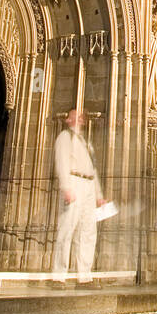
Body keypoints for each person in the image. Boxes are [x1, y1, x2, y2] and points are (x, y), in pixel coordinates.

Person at [52, 109, 105, 286]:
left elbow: (93, 169)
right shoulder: (65, 137)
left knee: (88, 231)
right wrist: (66, 187)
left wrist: (99, 195)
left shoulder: (85, 142)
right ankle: (59, 275)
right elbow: (62, 162)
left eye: (81, 116)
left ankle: (84, 275)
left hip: (88, 185)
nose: (80, 118)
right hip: (74, 182)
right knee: (67, 228)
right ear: (68, 119)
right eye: (76, 115)